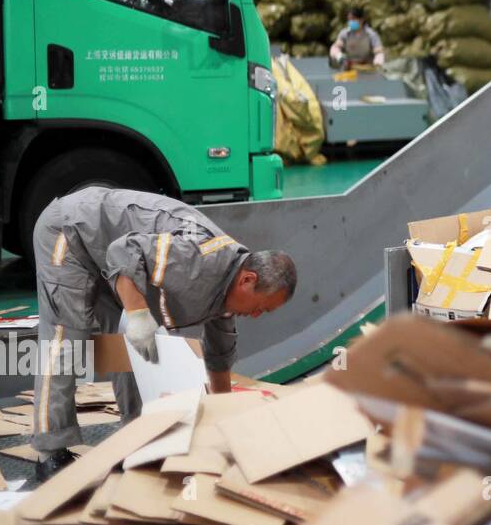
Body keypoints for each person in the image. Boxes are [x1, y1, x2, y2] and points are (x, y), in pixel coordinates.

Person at [29, 187, 297, 480]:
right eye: (261, 307)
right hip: (71, 232)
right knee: (66, 339)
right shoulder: (198, 259)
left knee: (124, 346)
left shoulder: (228, 294)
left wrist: (222, 423)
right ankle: (50, 453)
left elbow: (218, 358)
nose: (256, 315)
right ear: (248, 280)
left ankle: (135, 440)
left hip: (105, 253)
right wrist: (138, 314)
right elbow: (123, 251)